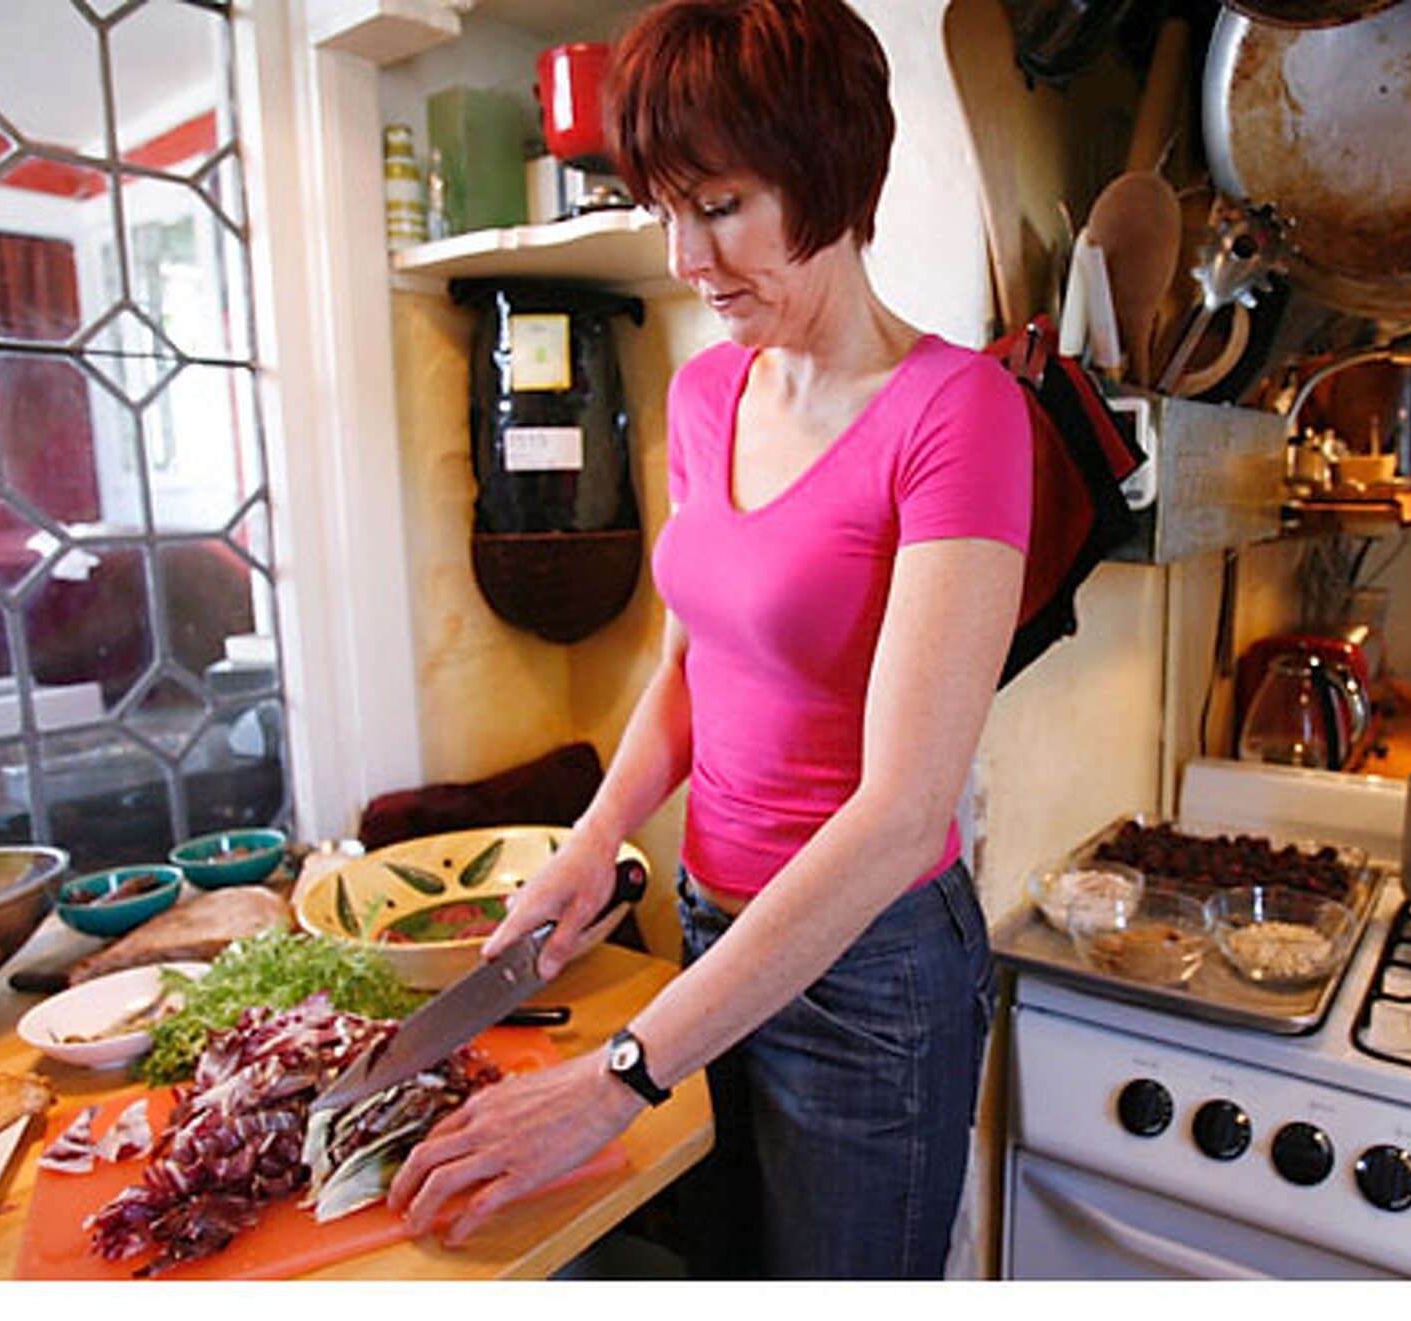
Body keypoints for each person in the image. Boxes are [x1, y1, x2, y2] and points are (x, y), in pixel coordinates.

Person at [386, 0, 1032, 1279]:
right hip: (711, 931)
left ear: (836, 174)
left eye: (721, 205)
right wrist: (598, 835)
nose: (686, 257)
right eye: (666, 208)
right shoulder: (703, 392)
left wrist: (619, 1075)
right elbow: (693, 665)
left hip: (872, 978)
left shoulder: (959, 415)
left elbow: (904, 812)